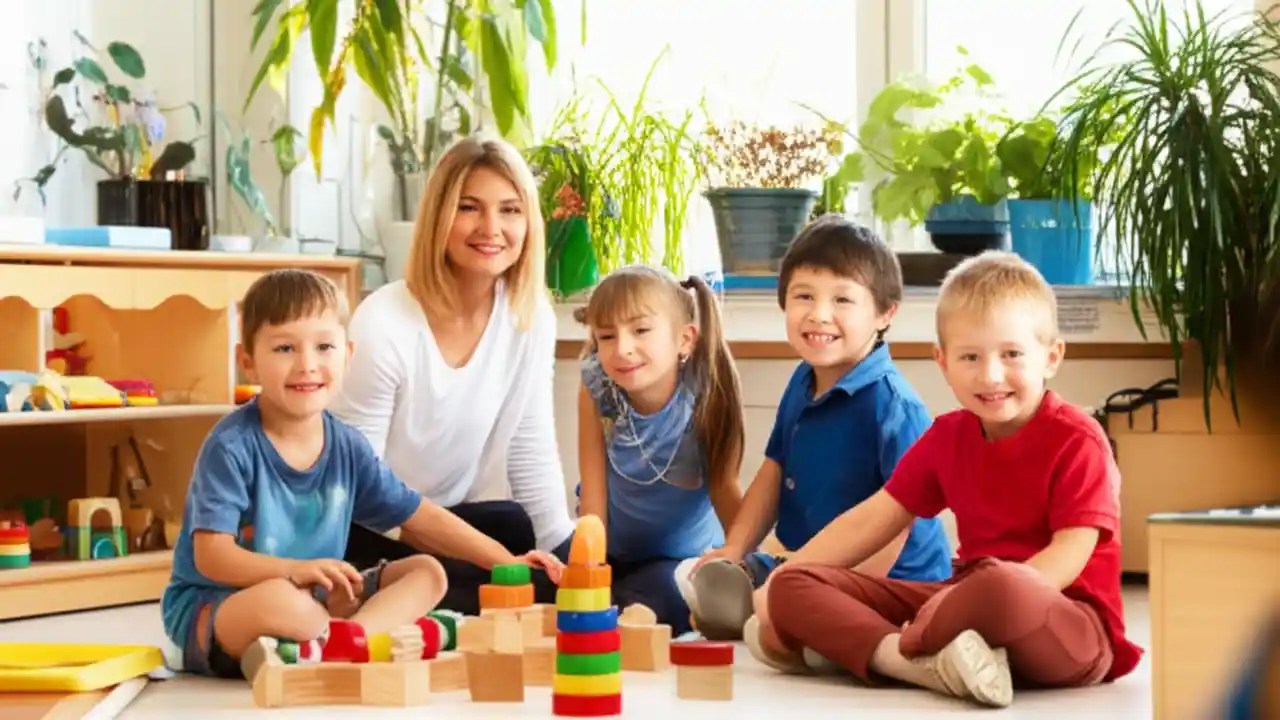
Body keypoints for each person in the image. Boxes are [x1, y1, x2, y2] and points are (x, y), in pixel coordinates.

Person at [763, 251, 1145, 708]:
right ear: (943, 363)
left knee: (1002, 586)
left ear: (1051, 357)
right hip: (963, 604)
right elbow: (872, 519)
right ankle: (904, 661)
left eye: (1012, 354)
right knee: (793, 584)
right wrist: (777, 588)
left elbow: (1068, 557)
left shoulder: (1078, 440)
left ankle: (901, 648)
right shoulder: (948, 436)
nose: (991, 375)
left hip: (1063, 624)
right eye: (970, 357)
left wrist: (941, 616)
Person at [162, 269, 562, 679]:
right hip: (223, 605)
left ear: (348, 356)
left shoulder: (347, 446)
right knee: (287, 603)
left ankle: (341, 643)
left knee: (428, 573)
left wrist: (507, 563)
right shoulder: (231, 446)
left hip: (317, 598)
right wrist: (291, 571)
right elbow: (211, 557)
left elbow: (417, 517)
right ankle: (320, 639)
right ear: (247, 362)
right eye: (284, 348)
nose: (307, 365)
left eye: (324, 347)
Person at [329, 135, 576, 614]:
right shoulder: (383, 322)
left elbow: (530, 445)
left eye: (510, 210)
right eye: (469, 208)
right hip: (366, 527)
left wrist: (563, 560)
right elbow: (362, 491)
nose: (491, 228)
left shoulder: (530, 317)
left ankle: (419, 601)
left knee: (516, 529)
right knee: (486, 569)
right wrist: (498, 563)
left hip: (444, 526)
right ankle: (377, 594)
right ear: (440, 217)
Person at [688, 215, 953, 652]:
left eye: (843, 300)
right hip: (808, 565)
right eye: (803, 296)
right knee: (699, 576)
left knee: (788, 614)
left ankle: (818, 627)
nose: (819, 314)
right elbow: (773, 471)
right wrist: (732, 547)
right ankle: (770, 605)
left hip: (890, 580)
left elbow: (896, 525)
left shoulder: (894, 407)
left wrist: (840, 591)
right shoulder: (802, 380)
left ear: (885, 314)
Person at [575, 265, 745, 635]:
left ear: (685, 340)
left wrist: (746, 565)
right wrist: (588, 574)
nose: (622, 349)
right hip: (614, 552)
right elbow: (593, 494)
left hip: (681, 559)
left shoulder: (707, 394)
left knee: (652, 597)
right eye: (606, 336)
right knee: (559, 589)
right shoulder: (596, 388)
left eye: (640, 330)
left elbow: (725, 487)